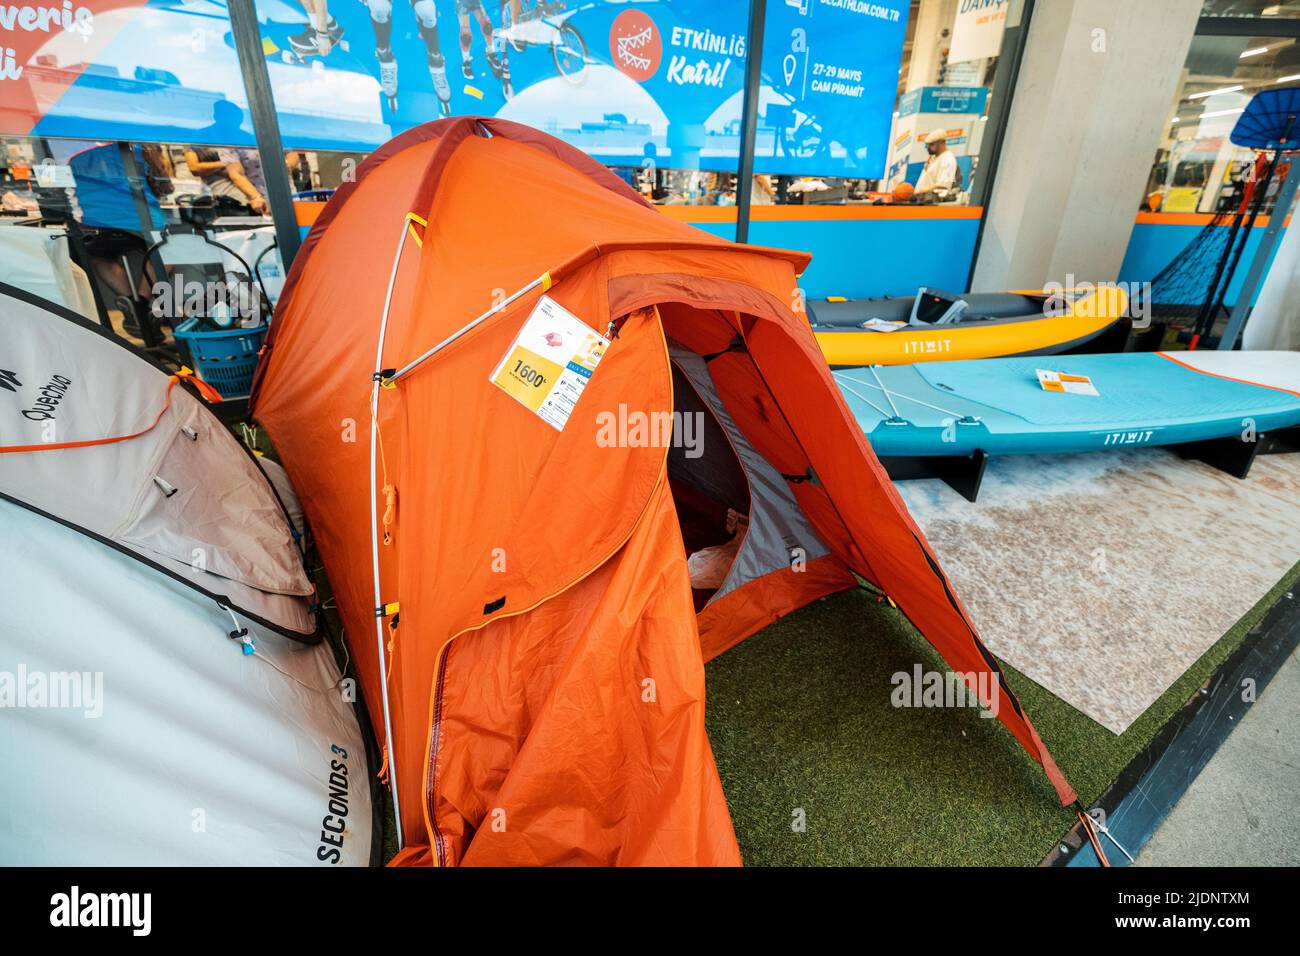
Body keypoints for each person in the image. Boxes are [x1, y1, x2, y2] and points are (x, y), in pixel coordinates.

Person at [184, 145, 268, 215]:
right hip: (225, 191)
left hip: (254, 189)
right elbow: (194, 168)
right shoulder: (195, 143)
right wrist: (226, 163)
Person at [915, 130, 959, 198]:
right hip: (921, 201)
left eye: (931, 144)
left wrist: (920, 192)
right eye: (928, 144)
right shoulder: (934, 157)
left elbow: (942, 187)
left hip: (931, 204)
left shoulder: (948, 159)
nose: (928, 147)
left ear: (941, 143)